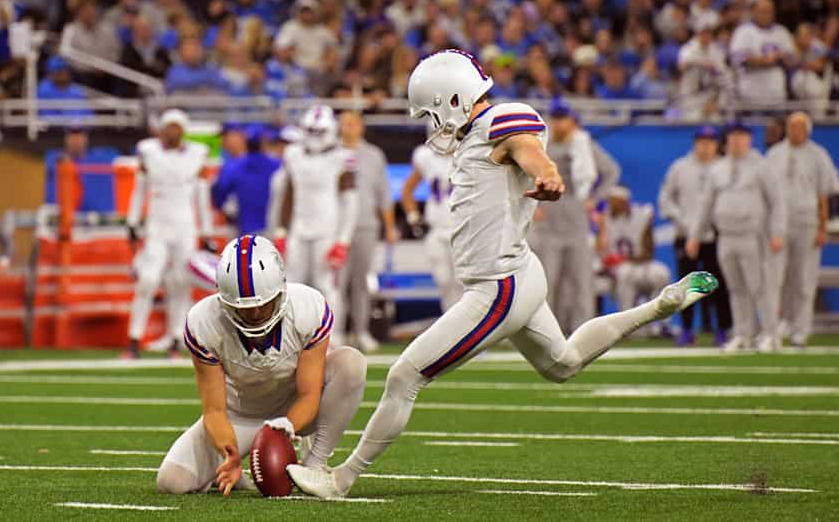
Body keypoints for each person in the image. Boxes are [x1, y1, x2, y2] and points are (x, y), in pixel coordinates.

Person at [287, 49, 718, 499]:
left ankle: (341, 479)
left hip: (499, 288)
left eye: (433, 113)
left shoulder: (500, 121)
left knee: (404, 377)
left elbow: (528, 149)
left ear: (454, 99)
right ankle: (659, 306)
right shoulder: (476, 133)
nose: (434, 125)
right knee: (564, 363)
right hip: (520, 273)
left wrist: (548, 174)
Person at [156, 235, 367, 495]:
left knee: (350, 364)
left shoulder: (307, 307)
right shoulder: (204, 322)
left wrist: (286, 427)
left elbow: (310, 395)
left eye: (262, 305)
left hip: (295, 405)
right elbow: (214, 411)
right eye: (244, 308)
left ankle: (315, 463)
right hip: (240, 414)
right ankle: (230, 475)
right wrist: (230, 453)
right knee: (172, 482)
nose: (255, 314)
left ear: (280, 291)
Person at [687, 122, 785, 353]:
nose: (736, 141)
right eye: (732, 137)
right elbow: (706, 205)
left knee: (760, 286)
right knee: (735, 287)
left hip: (753, 235)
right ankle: (742, 334)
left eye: (741, 136)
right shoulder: (718, 169)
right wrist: (695, 236)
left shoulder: (762, 167)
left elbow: (777, 202)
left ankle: (771, 334)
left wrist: (777, 232)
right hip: (726, 236)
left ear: (749, 139)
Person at [125, 109, 216, 359]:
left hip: (185, 227)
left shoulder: (197, 154)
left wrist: (207, 232)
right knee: (148, 280)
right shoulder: (148, 152)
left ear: (183, 130)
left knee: (180, 283)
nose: (172, 132)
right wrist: (132, 222)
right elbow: (139, 190)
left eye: (176, 127)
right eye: (168, 126)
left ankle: (176, 339)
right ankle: (134, 338)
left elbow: (202, 197)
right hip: (157, 226)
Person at [269, 105, 358, 348]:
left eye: (319, 131)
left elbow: (350, 202)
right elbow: (288, 194)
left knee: (326, 284)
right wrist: (281, 230)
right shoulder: (293, 154)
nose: (314, 136)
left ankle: (333, 335)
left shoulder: (343, 157)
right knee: (290, 284)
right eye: (310, 131)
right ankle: (289, 335)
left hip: (327, 229)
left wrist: (343, 239)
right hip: (299, 227)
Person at [531, 99, 620, 332]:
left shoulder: (583, 144)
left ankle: (583, 332)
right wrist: (531, 205)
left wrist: (595, 198)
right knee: (547, 283)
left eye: (563, 119)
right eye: (556, 119)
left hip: (576, 221)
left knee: (581, 281)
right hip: (549, 222)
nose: (559, 124)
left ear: (571, 121)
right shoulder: (541, 144)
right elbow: (525, 174)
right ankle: (546, 332)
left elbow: (611, 171)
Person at [766, 112, 836, 348]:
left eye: (799, 128)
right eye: (791, 127)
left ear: (807, 130)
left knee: (804, 278)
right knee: (777, 276)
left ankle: (801, 329)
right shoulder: (774, 154)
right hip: (779, 222)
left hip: (807, 221)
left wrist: (822, 227)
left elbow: (824, 195)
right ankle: (778, 325)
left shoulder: (818, 155)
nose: (794, 132)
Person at [659, 126, 732, 346]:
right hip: (685, 234)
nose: (705, 146)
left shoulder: (725, 167)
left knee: (720, 284)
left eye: (710, 142)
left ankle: (723, 329)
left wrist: (719, 219)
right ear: (695, 143)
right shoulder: (680, 167)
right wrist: (680, 219)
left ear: (716, 145)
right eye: (701, 141)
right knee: (685, 285)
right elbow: (665, 198)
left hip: (714, 235)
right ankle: (687, 328)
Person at [337, 111, 399, 353]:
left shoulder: (374, 155)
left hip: (365, 225)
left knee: (361, 281)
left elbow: (384, 194)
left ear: (361, 127)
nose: (348, 128)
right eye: (344, 124)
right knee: (337, 282)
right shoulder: (331, 153)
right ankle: (336, 331)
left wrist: (390, 226)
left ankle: (361, 331)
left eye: (352, 124)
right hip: (336, 227)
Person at [402, 122, 461, 313]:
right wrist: (413, 216)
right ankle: (450, 321)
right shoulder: (425, 157)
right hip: (436, 227)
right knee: (443, 281)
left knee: (463, 282)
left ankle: (468, 325)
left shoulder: (468, 155)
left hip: (462, 228)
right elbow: (407, 190)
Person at [598, 186, 673, 335]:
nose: (611, 204)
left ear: (624, 200)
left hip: (639, 263)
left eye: (614, 201)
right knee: (625, 273)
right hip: (617, 267)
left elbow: (648, 251)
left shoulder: (642, 214)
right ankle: (627, 325)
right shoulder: (605, 218)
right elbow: (600, 250)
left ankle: (662, 324)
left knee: (661, 273)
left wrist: (628, 258)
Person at [210, 126, 281, 236]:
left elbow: (219, 192)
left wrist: (222, 207)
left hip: (244, 227)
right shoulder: (278, 164)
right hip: (272, 227)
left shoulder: (234, 165)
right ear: (263, 143)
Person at [729, 0, 795, 104]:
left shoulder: (781, 31)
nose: (766, 15)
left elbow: (792, 59)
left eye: (770, 11)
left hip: (776, 92)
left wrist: (780, 57)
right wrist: (764, 60)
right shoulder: (743, 31)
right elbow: (737, 58)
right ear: (753, 12)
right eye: (763, 11)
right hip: (751, 93)